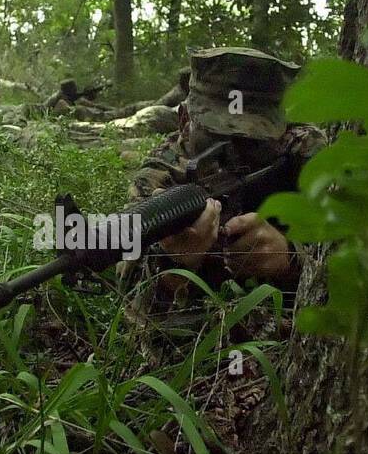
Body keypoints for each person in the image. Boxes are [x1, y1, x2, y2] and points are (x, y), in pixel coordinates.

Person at [120, 47, 325, 337]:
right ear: (184, 121)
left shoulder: (303, 153)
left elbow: (356, 259)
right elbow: (130, 298)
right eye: (215, 136)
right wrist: (172, 268)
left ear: (283, 126)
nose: (233, 153)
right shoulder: (163, 172)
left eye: (253, 140)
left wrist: (290, 258)